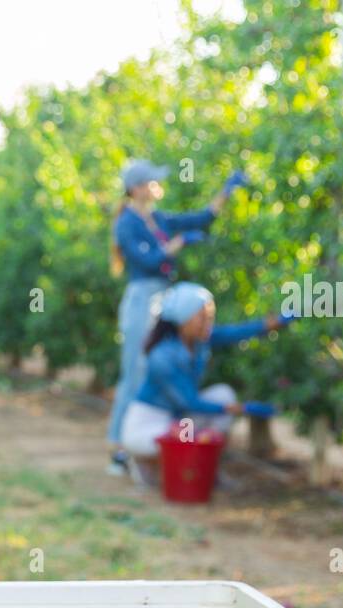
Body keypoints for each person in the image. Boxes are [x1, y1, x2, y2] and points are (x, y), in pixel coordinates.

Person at [106, 160, 248, 475]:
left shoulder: (157, 219)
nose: (158, 185)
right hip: (142, 298)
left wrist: (225, 192)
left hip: (160, 298)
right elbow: (146, 259)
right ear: (136, 188)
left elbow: (202, 218)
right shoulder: (127, 223)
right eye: (152, 181)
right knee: (135, 372)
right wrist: (177, 245)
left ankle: (160, 448)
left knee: (151, 373)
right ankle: (118, 448)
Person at [119, 282, 290, 484]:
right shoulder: (162, 357)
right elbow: (188, 402)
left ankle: (203, 469)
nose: (208, 322)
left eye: (210, 316)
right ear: (183, 319)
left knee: (222, 395)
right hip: (147, 424)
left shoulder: (199, 340)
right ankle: (148, 463)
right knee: (183, 434)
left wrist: (269, 325)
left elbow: (233, 333)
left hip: (177, 419)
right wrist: (239, 408)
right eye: (202, 317)